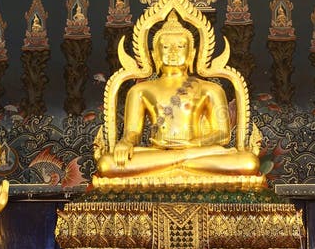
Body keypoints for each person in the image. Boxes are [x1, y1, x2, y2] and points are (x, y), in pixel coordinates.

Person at [95, 12, 260, 178]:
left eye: (180, 46)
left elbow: (223, 134)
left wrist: (193, 144)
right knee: (107, 164)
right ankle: (181, 162)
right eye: (166, 47)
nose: (173, 51)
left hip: (197, 151)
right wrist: (125, 143)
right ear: (154, 55)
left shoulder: (210, 89)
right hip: (163, 153)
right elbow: (132, 133)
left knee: (248, 162)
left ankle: (177, 162)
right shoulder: (140, 90)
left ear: (192, 53)